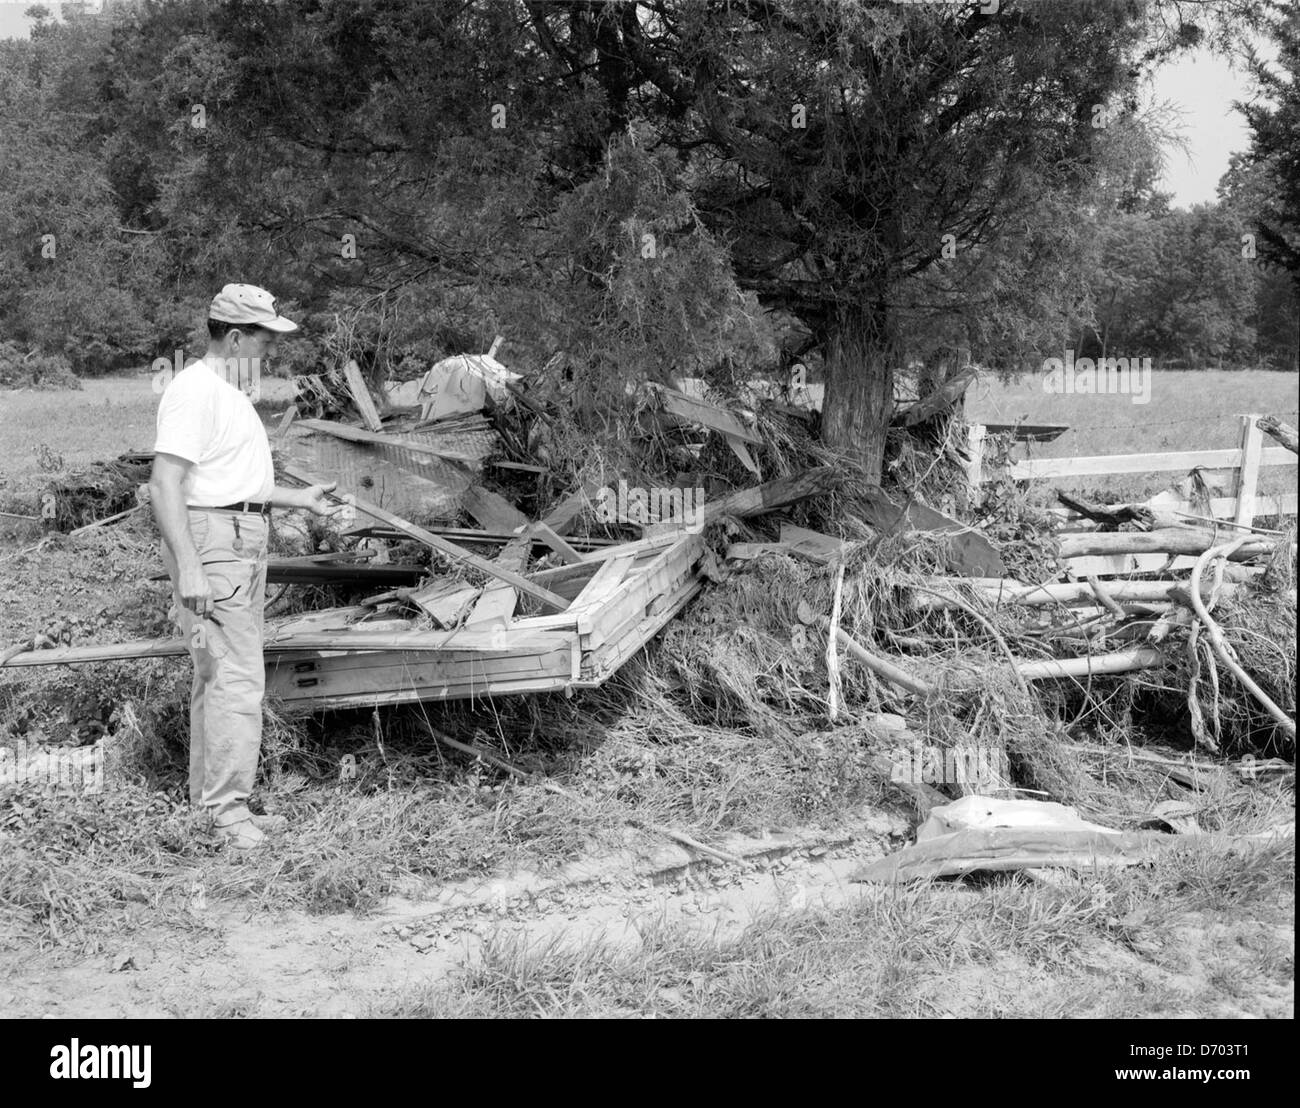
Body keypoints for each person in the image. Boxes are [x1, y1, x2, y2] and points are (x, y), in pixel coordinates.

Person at [149, 284, 342, 851]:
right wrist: (189, 567)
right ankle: (227, 813)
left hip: (238, 534)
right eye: (262, 340)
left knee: (221, 673)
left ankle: (215, 805)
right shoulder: (194, 391)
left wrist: (298, 500)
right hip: (214, 541)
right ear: (234, 337)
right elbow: (165, 484)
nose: (268, 351)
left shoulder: (230, 392)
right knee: (235, 676)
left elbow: (230, 482)